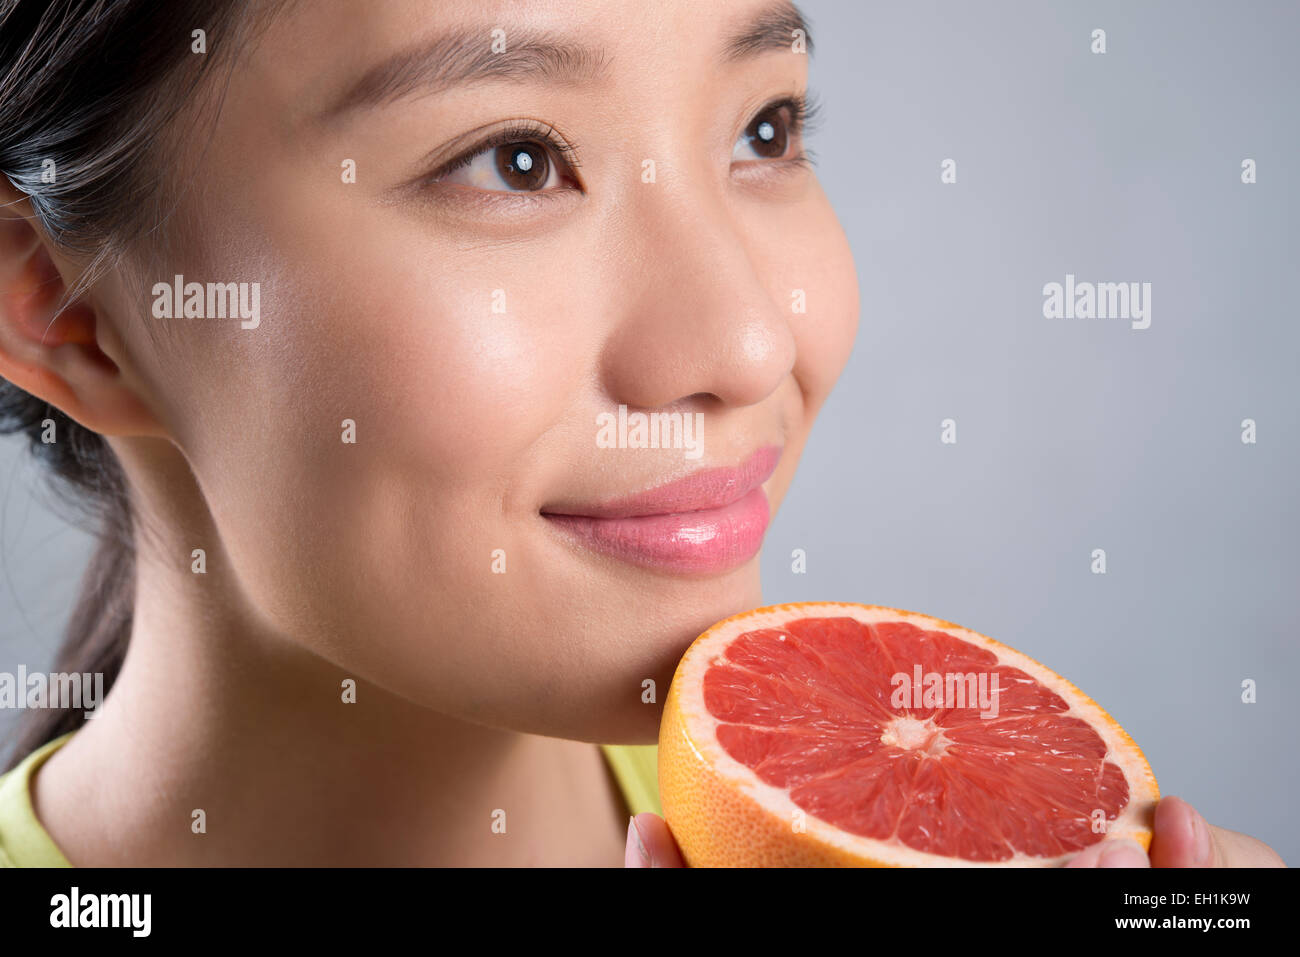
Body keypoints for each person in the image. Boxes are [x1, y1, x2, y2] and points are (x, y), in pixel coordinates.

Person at [0, 0, 1282, 868]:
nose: (745, 344)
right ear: (67, 313)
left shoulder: (921, 838)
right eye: (510, 159)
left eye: (764, 130)